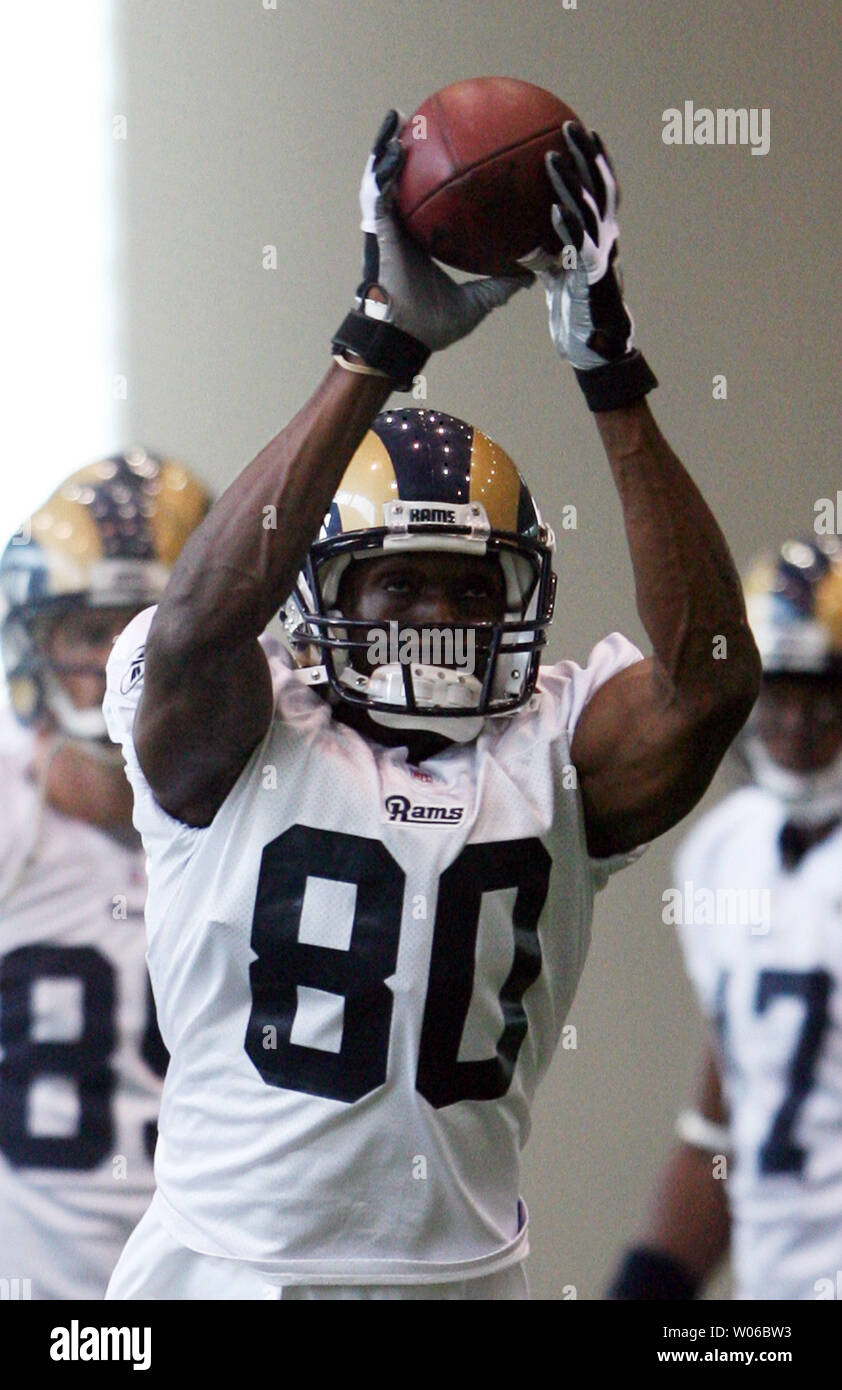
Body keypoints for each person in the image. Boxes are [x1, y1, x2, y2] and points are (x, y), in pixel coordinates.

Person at [102, 115, 759, 1301]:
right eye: (395, 579)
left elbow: (709, 679)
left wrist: (607, 369)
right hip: (223, 1276)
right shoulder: (249, 725)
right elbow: (199, 626)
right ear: (317, 592)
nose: (435, 612)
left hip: (465, 1278)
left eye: (469, 584)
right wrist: (374, 343)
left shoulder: (550, 742)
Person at [0, 449, 210, 1300]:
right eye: (93, 632)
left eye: (148, 626)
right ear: (38, 643)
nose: (122, 662)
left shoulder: (283, 817)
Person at [608, 537, 842, 1302]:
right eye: (779, 691)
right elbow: (723, 1129)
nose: (798, 725)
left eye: (826, 695)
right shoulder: (725, 851)